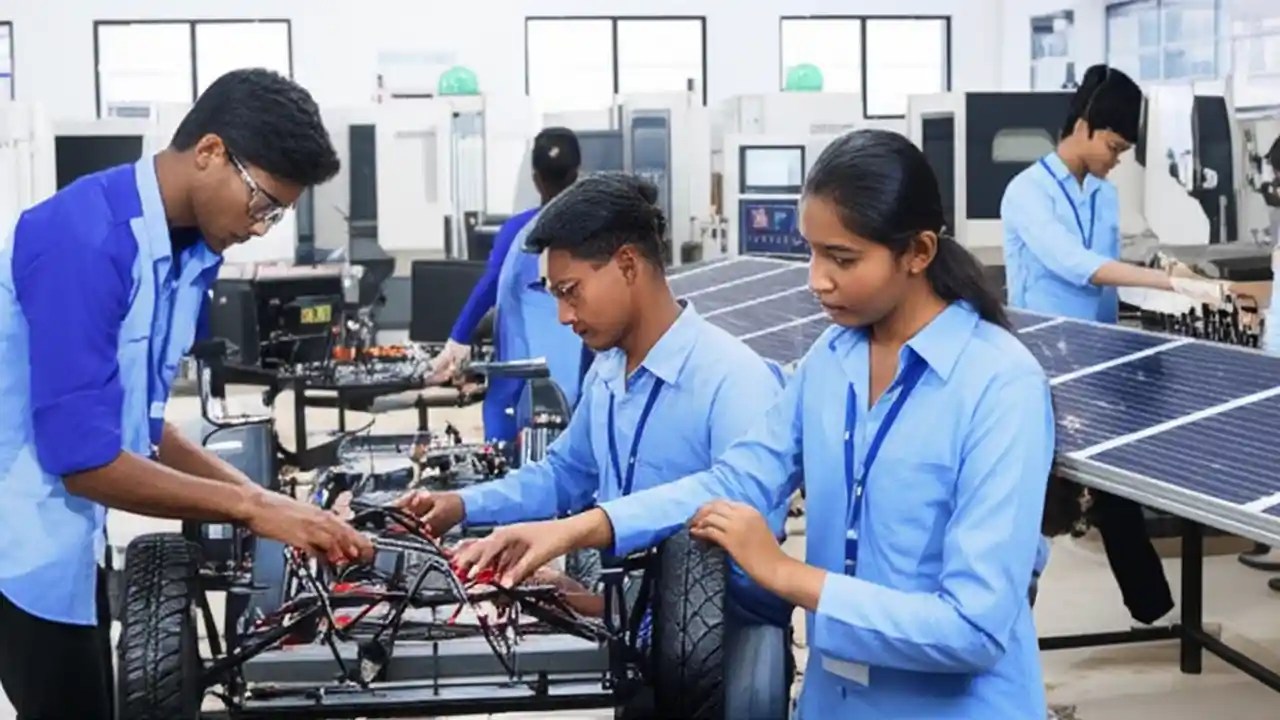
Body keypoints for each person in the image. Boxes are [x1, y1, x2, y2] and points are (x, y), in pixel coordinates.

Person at [452, 129, 1057, 718]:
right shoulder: (831, 362)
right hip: (834, 701)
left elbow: (974, 627)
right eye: (813, 252)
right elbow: (738, 478)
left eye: (842, 258)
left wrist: (783, 572)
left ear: (918, 253)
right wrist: (574, 530)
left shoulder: (999, 385)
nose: (817, 279)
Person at [0, 68, 373, 719]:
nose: (261, 227)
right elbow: (84, 460)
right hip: (18, 552)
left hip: (65, 545)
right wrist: (250, 511)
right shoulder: (85, 240)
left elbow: (136, 426)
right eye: (261, 204)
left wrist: (265, 499)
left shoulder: (180, 254)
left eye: (276, 213)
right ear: (208, 152)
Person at [399, 172, 795, 718]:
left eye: (570, 291)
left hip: (721, 673)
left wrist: (584, 536)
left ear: (628, 265)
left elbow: (742, 530)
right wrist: (463, 506)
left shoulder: (735, 380)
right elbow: (563, 474)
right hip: (633, 656)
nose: (563, 315)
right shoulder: (608, 374)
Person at [1000, 63, 1226, 624]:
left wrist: (1161, 279)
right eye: (1114, 145)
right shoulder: (1026, 193)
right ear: (1082, 126)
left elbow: (1109, 279)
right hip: (1039, 362)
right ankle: (1007, 607)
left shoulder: (1101, 195)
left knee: (1116, 474)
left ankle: (1155, 609)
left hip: (1097, 359)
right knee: (1036, 499)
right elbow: (1077, 266)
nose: (1115, 159)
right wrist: (1169, 282)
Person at [428, 127, 587, 443]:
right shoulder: (596, 231)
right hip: (581, 387)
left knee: (503, 462)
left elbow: (490, 284)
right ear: (576, 174)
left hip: (518, 387)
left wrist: (458, 338)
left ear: (535, 178)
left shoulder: (518, 232)